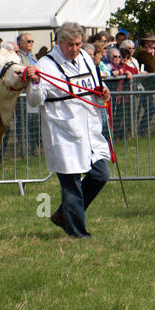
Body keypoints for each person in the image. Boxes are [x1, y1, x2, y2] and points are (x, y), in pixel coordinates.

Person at [23, 22, 110, 239]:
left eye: (78, 44)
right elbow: (34, 102)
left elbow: (94, 85)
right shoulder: (45, 65)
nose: (74, 49)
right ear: (60, 43)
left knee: (100, 174)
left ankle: (63, 214)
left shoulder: (85, 58)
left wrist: (102, 91)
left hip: (89, 128)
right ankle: (78, 233)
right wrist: (34, 84)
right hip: (63, 133)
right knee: (71, 185)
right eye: (70, 45)